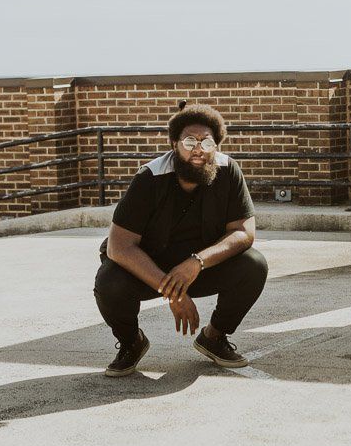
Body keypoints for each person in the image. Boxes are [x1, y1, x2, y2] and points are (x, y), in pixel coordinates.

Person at [93, 102, 268, 376]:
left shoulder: (228, 171)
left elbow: (244, 232)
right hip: (150, 268)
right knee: (108, 281)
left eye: (206, 142)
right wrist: (171, 290)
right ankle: (131, 343)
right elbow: (119, 246)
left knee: (254, 265)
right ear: (174, 144)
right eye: (189, 141)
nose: (198, 150)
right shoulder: (149, 178)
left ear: (216, 145)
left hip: (197, 268)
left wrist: (197, 262)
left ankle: (214, 337)